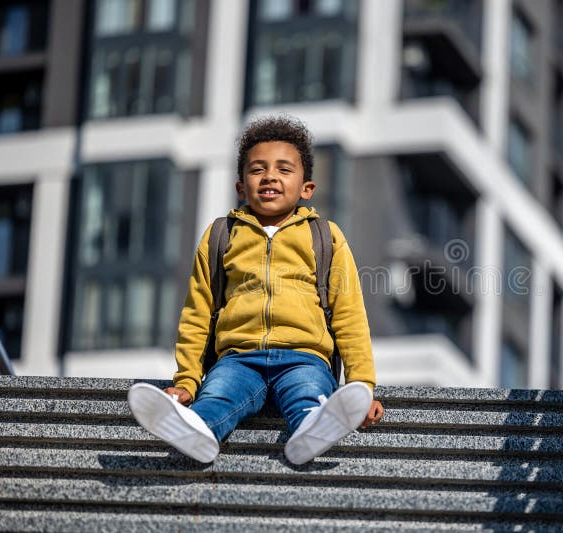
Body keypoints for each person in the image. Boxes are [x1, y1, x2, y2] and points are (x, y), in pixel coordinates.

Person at [128, 115, 384, 464]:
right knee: (216, 397)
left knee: (310, 395)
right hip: (237, 359)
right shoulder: (222, 235)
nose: (270, 177)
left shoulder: (325, 236)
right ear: (240, 186)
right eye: (257, 169)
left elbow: (349, 314)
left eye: (284, 169)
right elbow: (197, 312)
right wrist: (187, 381)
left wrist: (362, 387)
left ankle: (311, 431)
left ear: (306, 188)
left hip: (304, 356)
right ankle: (196, 430)